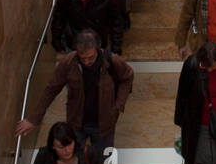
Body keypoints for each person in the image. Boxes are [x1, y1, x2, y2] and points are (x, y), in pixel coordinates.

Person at [17, 27, 133, 155]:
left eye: (90, 57)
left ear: (98, 50)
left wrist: (118, 105)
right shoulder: (68, 63)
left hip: (105, 123)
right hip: (77, 123)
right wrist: (34, 119)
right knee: (75, 159)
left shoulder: (112, 61)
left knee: (104, 161)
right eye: (82, 58)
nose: (86, 62)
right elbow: (51, 89)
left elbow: (127, 77)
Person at [51, 0, 121, 56]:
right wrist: (57, 41)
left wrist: (116, 49)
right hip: (74, 40)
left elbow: (116, 23)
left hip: (97, 41)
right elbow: (59, 16)